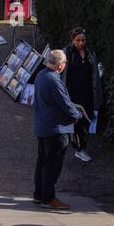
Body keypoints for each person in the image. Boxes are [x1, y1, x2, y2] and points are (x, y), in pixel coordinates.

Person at [33, 48, 79, 209]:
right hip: (56, 129)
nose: (65, 65)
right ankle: (48, 198)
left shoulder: (40, 75)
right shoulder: (54, 79)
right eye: (65, 62)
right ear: (60, 65)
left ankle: (39, 195)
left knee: (42, 162)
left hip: (43, 126)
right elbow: (65, 103)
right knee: (52, 165)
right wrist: (77, 116)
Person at [63, 28, 103, 162]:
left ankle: (80, 147)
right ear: (72, 40)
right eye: (78, 40)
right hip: (72, 94)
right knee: (76, 121)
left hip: (88, 94)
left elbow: (95, 75)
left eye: (83, 40)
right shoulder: (67, 53)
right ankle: (78, 147)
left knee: (86, 120)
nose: (81, 43)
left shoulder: (90, 53)